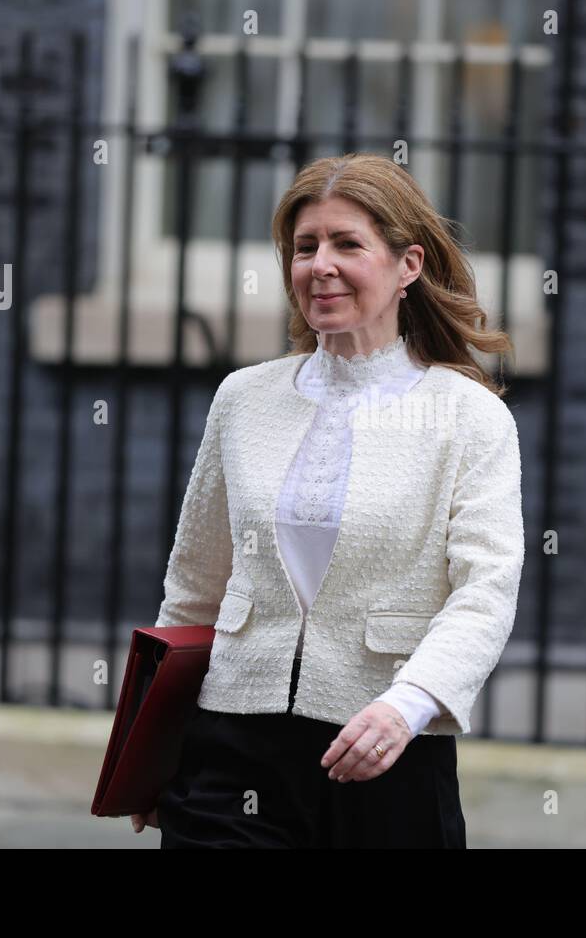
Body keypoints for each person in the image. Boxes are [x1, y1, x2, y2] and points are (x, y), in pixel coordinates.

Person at [132, 152, 524, 848]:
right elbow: (195, 586)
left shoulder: (469, 417)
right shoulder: (243, 399)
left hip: (387, 750)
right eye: (304, 247)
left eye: (347, 244)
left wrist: (408, 706)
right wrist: (152, 751)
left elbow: (484, 593)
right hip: (232, 750)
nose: (320, 264)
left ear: (409, 265)